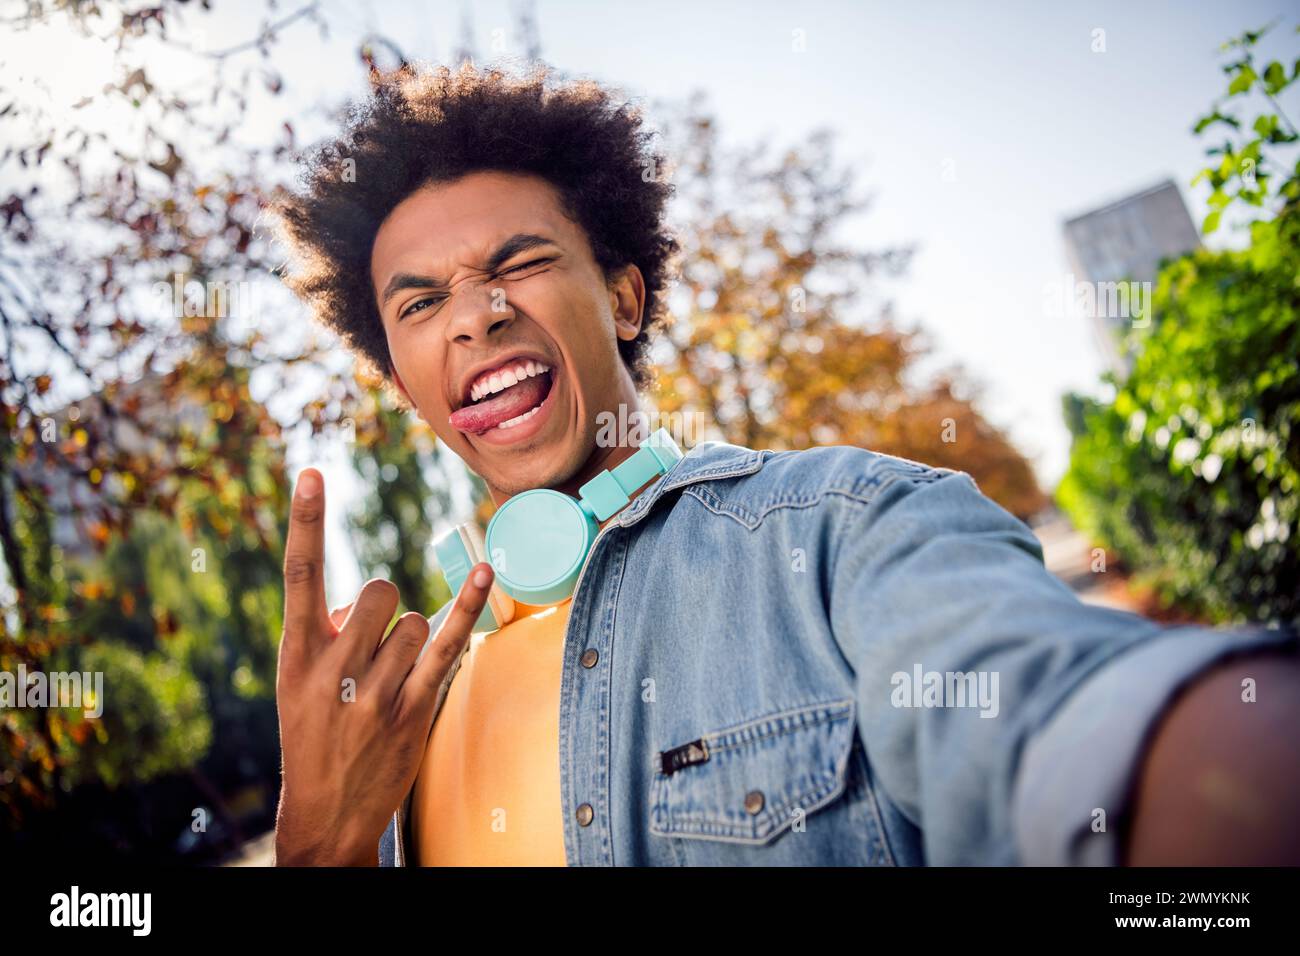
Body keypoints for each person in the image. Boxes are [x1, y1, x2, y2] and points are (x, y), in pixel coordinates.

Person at [267, 62, 1300, 867]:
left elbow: (1051, 707)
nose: (475, 315)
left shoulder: (846, 531)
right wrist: (321, 846)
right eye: (419, 301)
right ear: (403, 383)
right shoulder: (386, 722)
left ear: (624, 299)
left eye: (518, 263)